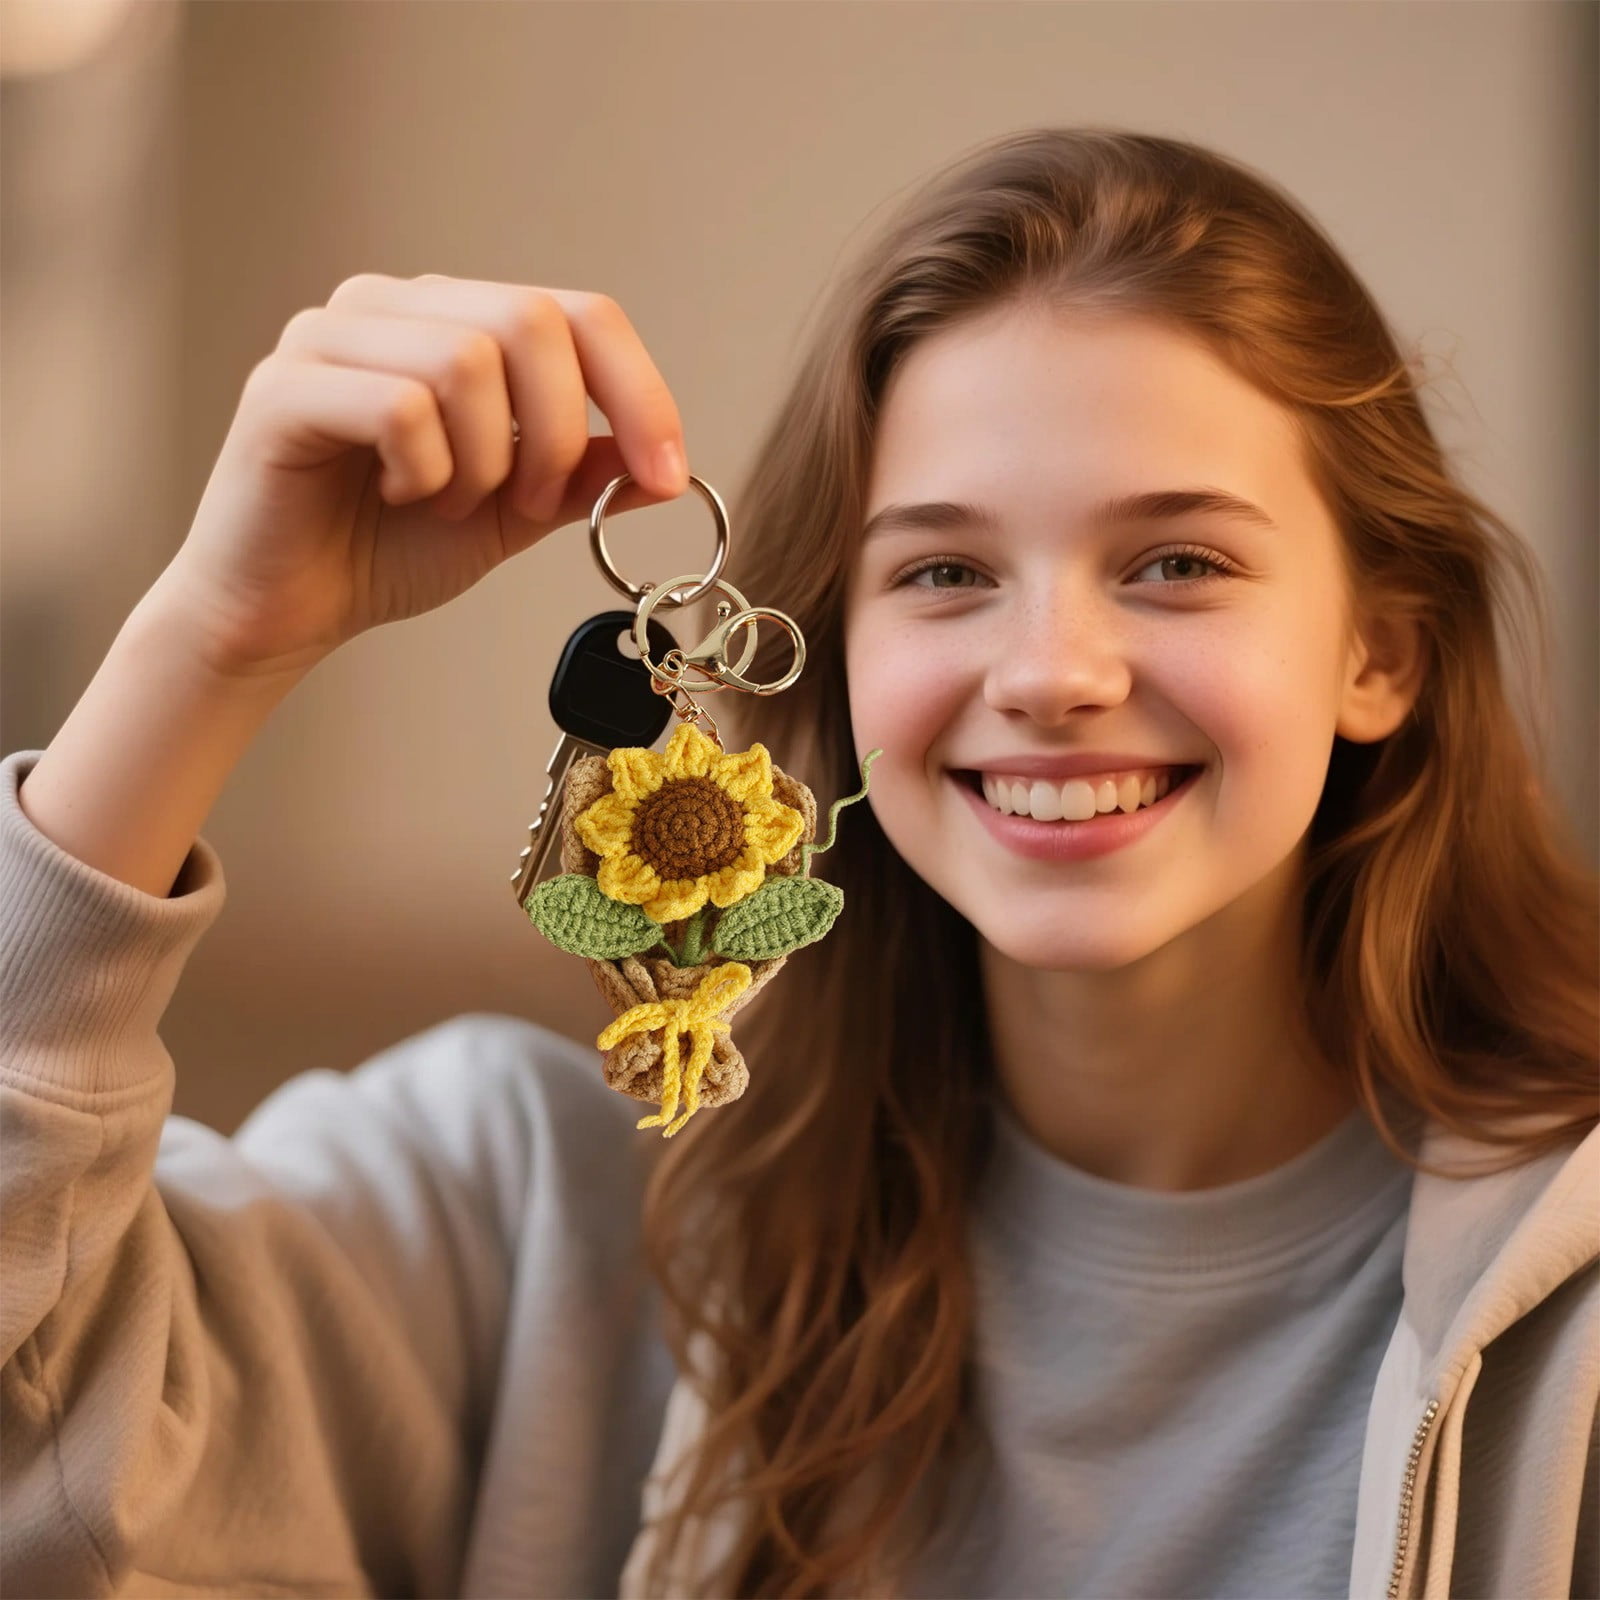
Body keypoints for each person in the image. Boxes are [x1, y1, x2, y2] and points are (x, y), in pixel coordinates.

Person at [2, 126, 1595, 1600]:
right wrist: (213, 637)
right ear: (827, 657)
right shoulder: (537, 1228)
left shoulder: (1569, 1314)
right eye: (946, 570)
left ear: (1378, 652)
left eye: (1177, 562)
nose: (1052, 671)